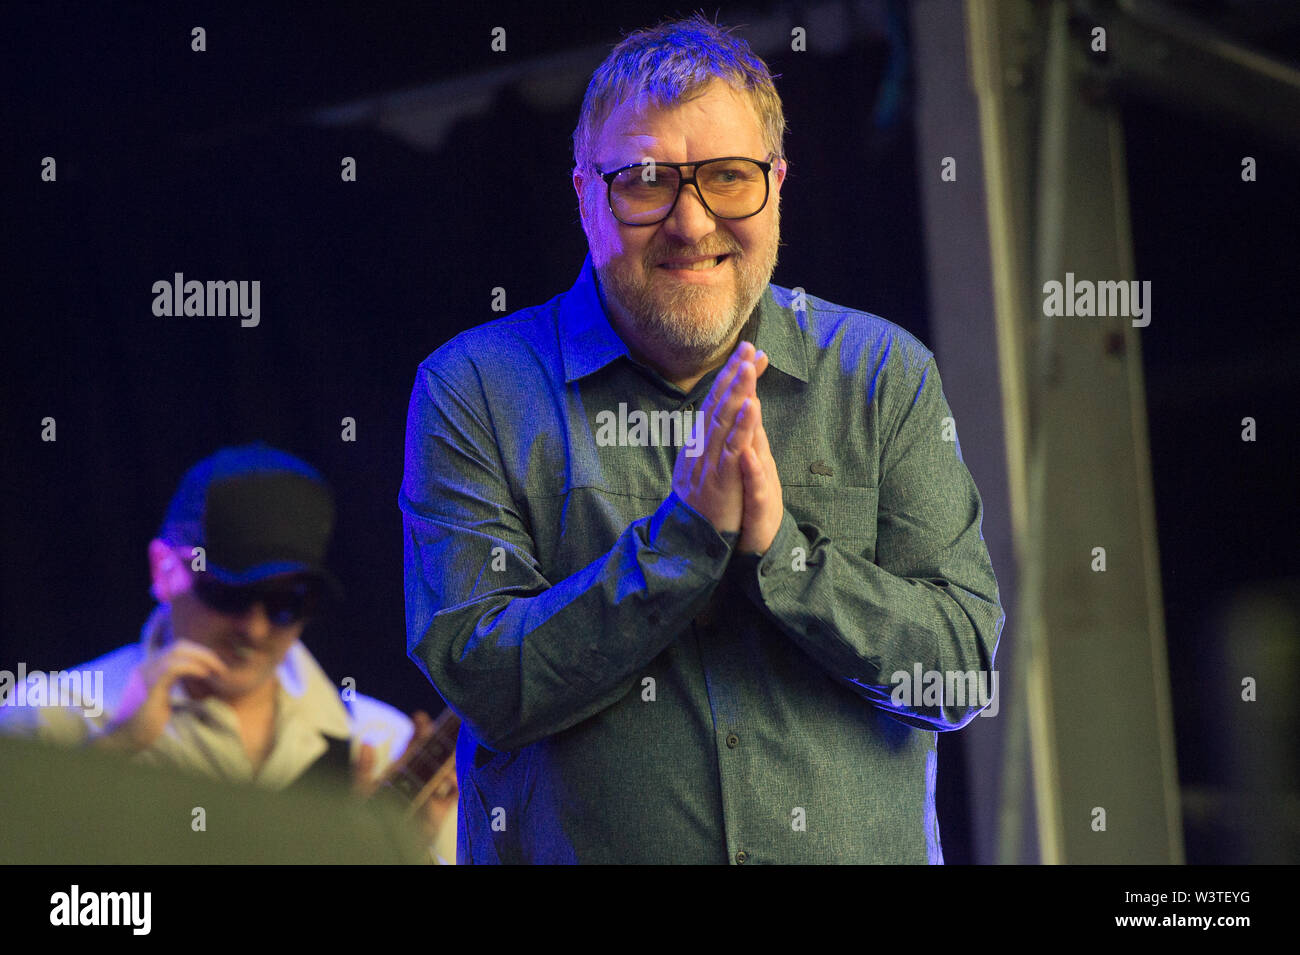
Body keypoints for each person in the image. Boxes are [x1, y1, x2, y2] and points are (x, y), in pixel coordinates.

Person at [400, 15, 1004, 864]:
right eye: (647, 180)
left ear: (777, 185)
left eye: (727, 176)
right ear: (585, 195)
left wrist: (782, 555)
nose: (691, 221)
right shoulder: (477, 390)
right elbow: (482, 679)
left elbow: (960, 669)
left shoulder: (880, 372)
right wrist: (680, 545)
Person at [3, 444, 456, 861]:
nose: (254, 629)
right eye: (228, 593)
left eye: (287, 602)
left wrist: (402, 853)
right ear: (165, 569)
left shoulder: (382, 740)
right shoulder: (48, 719)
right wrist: (115, 751)